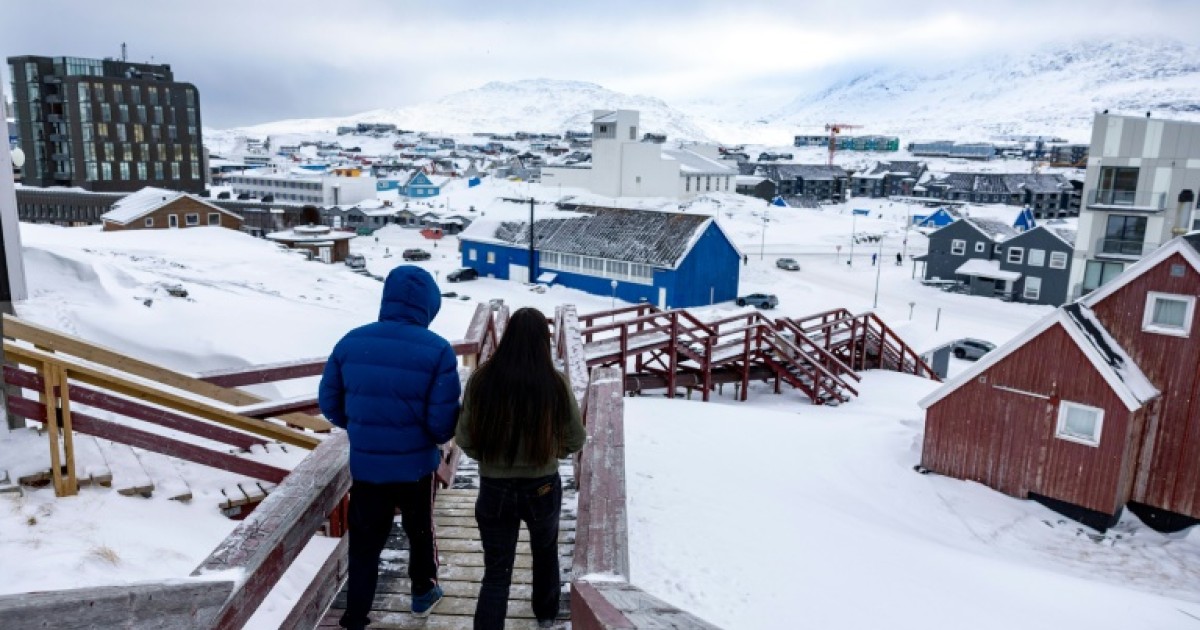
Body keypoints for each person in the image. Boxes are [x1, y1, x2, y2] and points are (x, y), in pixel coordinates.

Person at [319, 266, 461, 629]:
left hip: (368, 469)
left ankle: (355, 615)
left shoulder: (350, 342)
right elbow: (442, 423)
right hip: (417, 468)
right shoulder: (438, 350)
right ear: (429, 305)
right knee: (420, 530)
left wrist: (365, 428)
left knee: (364, 544)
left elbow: (331, 405)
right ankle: (422, 592)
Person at [455, 308, 586, 630]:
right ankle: (545, 613)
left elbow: (465, 438)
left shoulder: (482, 379)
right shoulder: (554, 383)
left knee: (496, 571)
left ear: (507, 337)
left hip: (494, 488)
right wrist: (549, 454)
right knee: (545, 552)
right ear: (544, 341)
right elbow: (576, 438)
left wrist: (489, 459)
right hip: (542, 486)